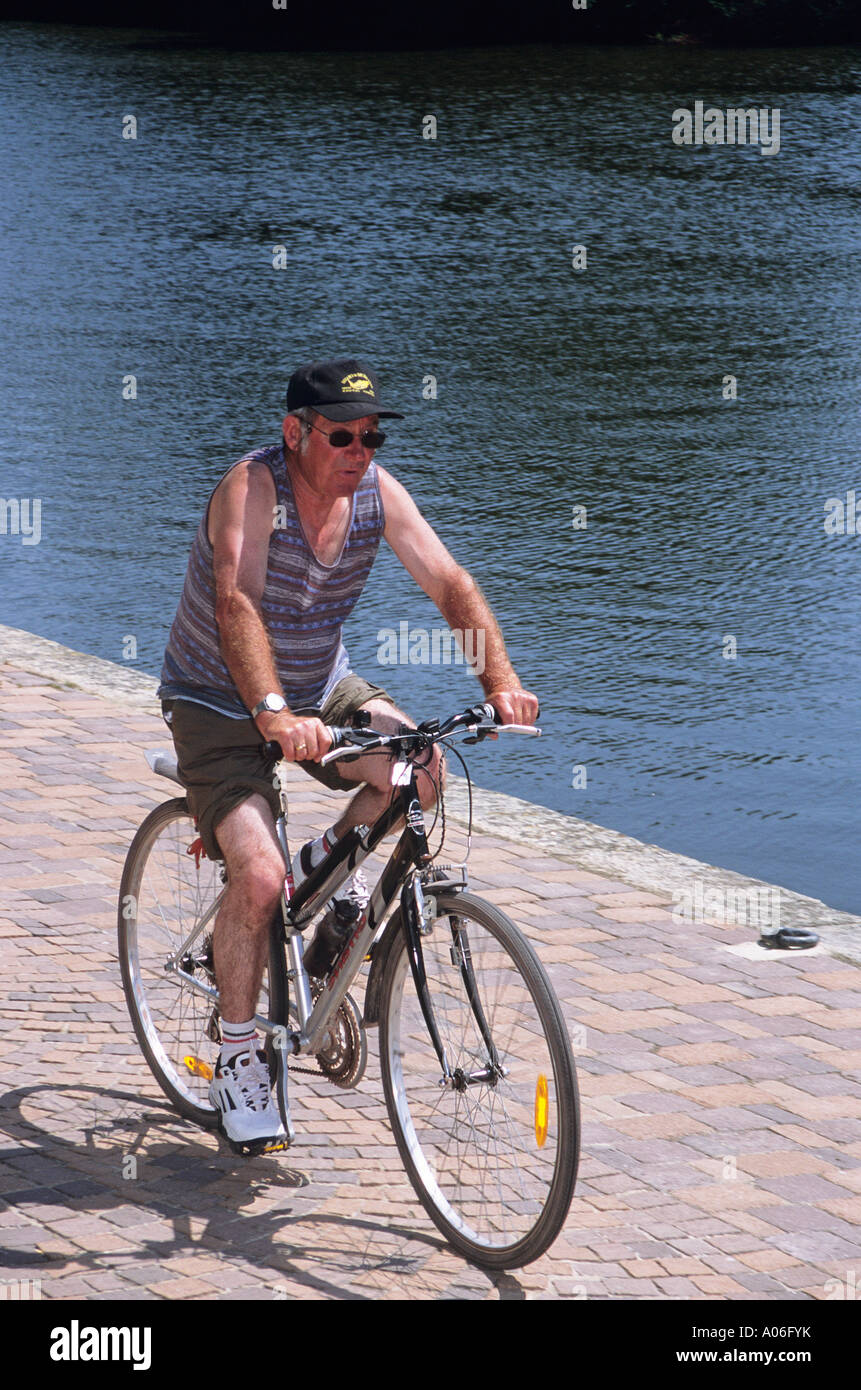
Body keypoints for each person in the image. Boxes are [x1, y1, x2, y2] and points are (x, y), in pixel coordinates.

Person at [158, 357, 538, 1146]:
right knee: (256, 877)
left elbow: (449, 584)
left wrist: (499, 679)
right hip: (218, 700)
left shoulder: (375, 492)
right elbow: (235, 599)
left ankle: (325, 886)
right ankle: (238, 1056)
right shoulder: (252, 488)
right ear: (295, 432)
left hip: (318, 686)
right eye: (342, 435)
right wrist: (268, 710)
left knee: (421, 767)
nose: (360, 449)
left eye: (371, 434)